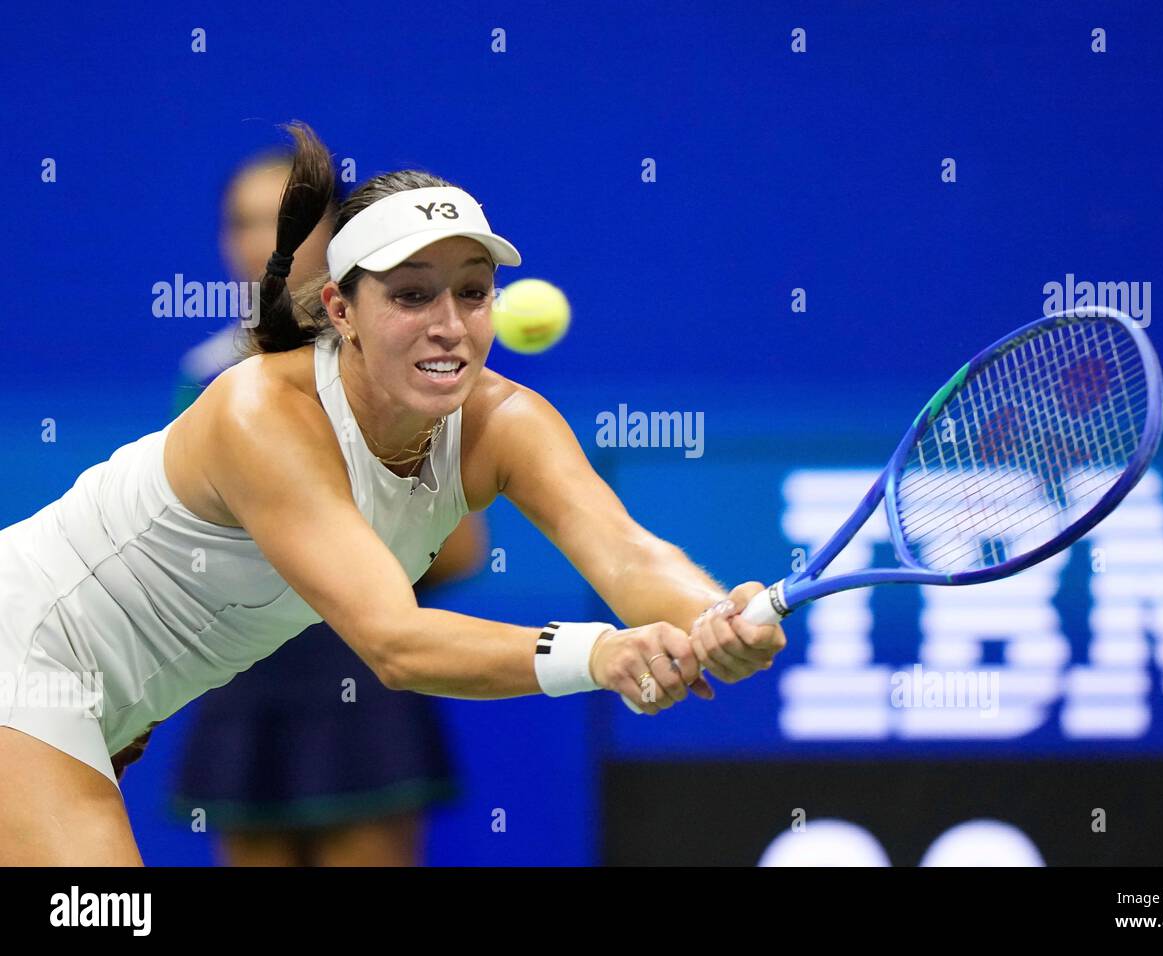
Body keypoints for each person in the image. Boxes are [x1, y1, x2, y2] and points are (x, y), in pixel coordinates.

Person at [0, 121, 786, 866]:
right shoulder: (261, 412)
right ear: (342, 309)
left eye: (473, 293)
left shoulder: (505, 422)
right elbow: (396, 644)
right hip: (25, 650)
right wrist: (605, 652)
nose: (450, 324)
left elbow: (627, 552)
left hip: (117, 701)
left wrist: (714, 615)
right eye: (412, 296)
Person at [167, 150, 486, 867]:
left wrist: (326, 566)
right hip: (243, 686)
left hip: (366, 682)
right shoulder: (204, 380)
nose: (262, 243)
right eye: (242, 223)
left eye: (285, 221)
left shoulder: (398, 364)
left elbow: (460, 548)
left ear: (337, 234)